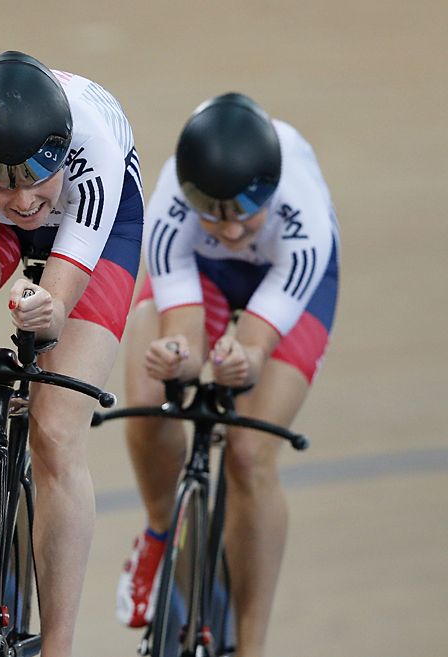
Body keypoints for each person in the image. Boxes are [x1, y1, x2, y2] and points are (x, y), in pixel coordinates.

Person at [117, 92, 340, 657]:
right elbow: (185, 342)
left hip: (287, 279)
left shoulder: (303, 219)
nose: (232, 230)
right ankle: (160, 531)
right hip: (203, 272)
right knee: (148, 396)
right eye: (214, 214)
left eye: (245, 213)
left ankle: (252, 644)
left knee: (248, 453)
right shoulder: (170, 208)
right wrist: (175, 358)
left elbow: (256, 351)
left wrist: (243, 361)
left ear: (271, 192)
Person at [0, 51, 144, 657]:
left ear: (60, 154)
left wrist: (43, 313)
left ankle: (58, 644)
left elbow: (56, 309)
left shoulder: (94, 150)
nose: (25, 198)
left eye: (37, 175)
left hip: (97, 225)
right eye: (4, 180)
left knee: (56, 432)